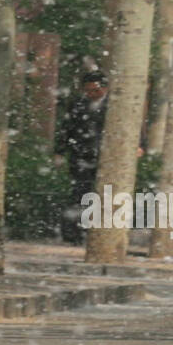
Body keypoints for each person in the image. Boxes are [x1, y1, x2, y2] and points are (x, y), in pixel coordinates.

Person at [56, 71, 110, 244]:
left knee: (105, 195)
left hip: (106, 156)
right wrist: (60, 150)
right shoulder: (78, 104)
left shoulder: (113, 105)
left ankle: (97, 231)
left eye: (95, 90)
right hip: (81, 155)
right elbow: (66, 127)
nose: (91, 94)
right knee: (79, 193)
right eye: (88, 91)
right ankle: (73, 234)